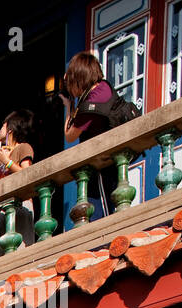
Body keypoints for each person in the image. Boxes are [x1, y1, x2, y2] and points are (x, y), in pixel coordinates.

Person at [61, 51, 115, 210]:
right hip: (112, 158)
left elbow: (69, 136)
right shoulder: (105, 87)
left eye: (71, 82)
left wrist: (69, 108)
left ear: (79, 78)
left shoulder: (91, 104)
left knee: (100, 210)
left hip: (102, 165)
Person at [0, 109, 37, 255]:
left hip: (20, 205)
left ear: (10, 129)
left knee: (19, 249)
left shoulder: (23, 148)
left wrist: (7, 162)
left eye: (2, 126)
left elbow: (26, 175)